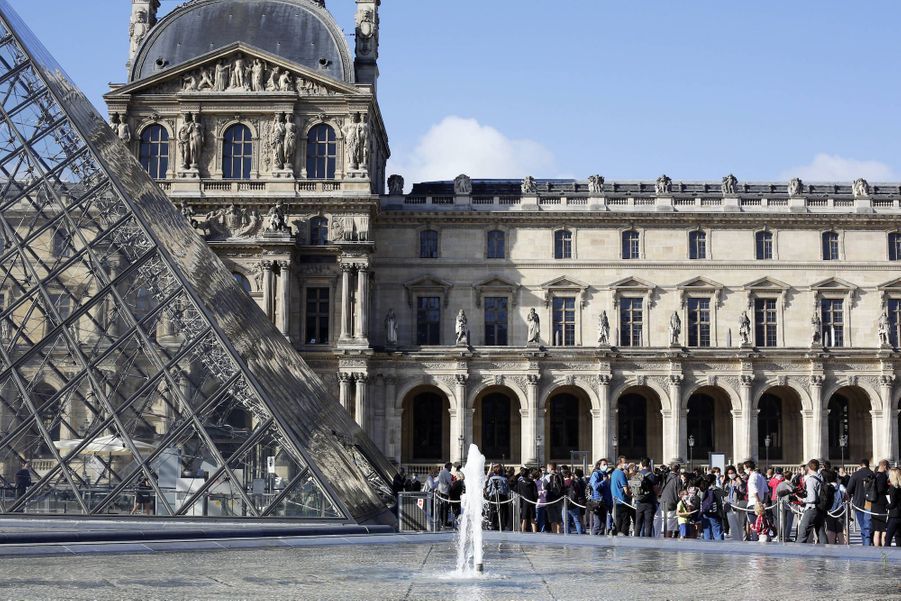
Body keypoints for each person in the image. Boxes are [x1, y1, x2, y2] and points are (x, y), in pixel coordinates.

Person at [846, 459, 876, 546]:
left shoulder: (855, 475)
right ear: (868, 465)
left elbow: (849, 489)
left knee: (863, 526)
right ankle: (869, 542)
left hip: (858, 503)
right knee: (869, 525)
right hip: (870, 502)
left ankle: (866, 544)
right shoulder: (872, 474)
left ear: (860, 465)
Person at [797, 459, 826, 544]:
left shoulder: (810, 480)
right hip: (820, 508)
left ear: (809, 467)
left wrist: (802, 499)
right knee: (821, 532)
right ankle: (827, 551)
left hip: (811, 508)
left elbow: (812, 498)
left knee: (803, 531)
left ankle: (798, 552)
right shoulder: (820, 477)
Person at [633, 458, 658, 537]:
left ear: (641, 464)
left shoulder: (637, 475)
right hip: (649, 502)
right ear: (649, 464)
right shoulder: (652, 476)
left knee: (638, 524)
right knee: (648, 525)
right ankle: (647, 542)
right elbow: (656, 490)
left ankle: (636, 540)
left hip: (639, 502)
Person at [610, 458, 633, 536]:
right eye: (624, 462)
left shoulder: (613, 473)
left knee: (618, 521)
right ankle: (624, 538)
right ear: (620, 463)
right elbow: (626, 490)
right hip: (623, 501)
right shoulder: (621, 473)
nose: (626, 464)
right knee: (625, 522)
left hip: (616, 501)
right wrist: (632, 494)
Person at [723, 465, 747, 541]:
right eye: (729, 473)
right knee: (733, 525)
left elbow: (743, 491)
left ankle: (741, 539)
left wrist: (740, 482)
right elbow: (723, 494)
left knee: (740, 524)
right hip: (729, 506)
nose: (731, 474)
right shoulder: (726, 483)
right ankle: (736, 540)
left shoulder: (739, 481)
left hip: (739, 505)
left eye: (732, 472)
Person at [871, 459, 891, 547]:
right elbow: (881, 489)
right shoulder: (883, 476)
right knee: (883, 530)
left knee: (876, 529)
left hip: (874, 503)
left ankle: (876, 548)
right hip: (881, 504)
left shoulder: (874, 475)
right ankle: (884, 548)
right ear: (885, 467)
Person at [659, 462, 682, 538]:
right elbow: (679, 493)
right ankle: (667, 540)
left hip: (663, 501)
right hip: (672, 503)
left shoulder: (665, 477)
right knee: (670, 524)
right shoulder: (677, 479)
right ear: (678, 470)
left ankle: (663, 538)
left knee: (664, 522)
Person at [823, 469, 846, 544]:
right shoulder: (841, 486)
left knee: (830, 530)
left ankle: (831, 546)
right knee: (840, 530)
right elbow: (846, 497)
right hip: (839, 510)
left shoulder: (826, 486)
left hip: (830, 510)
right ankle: (842, 546)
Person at [485, 464, 510, 531]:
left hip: (493, 496)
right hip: (502, 496)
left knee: (493, 510)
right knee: (503, 511)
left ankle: (492, 524)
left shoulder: (491, 479)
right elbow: (507, 490)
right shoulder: (504, 479)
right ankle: (502, 525)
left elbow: (488, 489)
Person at [700, 474, 724, 541]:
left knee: (706, 530)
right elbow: (725, 494)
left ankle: (707, 547)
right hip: (714, 512)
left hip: (704, 512)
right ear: (713, 481)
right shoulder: (715, 489)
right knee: (717, 530)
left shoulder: (701, 488)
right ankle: (720, 547)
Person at [588, 461, 610, 535]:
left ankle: (601, 542)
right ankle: (593, 542)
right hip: (597, 502)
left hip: (604, 502)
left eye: (607, 464)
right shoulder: (596, 474)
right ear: (599, 465)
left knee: (603, 525)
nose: (606, 466)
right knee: (597, 525)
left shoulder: (605, 474)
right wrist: (603, 481)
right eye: (604, 464)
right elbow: (595, 487)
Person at [544, 463, 564, 534]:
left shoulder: (547, 477)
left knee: (552, 519)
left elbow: (544, 488)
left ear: (550, 468)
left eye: (547, 468)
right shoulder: (560, 476)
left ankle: (554, 533)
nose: (547, 469)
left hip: (550, 500)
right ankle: (560, 532)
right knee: (559, 519)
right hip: (559, 499)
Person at [885, 467, 901, 548]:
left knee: (888, 538)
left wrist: (886, 506)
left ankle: (886, 558)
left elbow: (893, 504)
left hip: (894, 515)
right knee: (898, 537)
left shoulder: (892, 488)